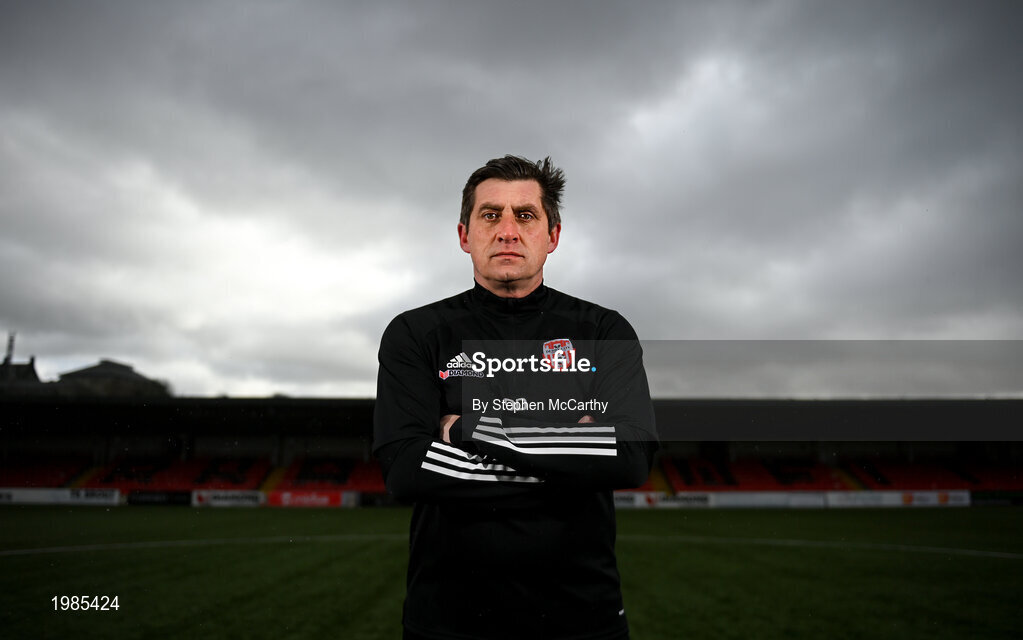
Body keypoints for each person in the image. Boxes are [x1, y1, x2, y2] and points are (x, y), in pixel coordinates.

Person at [373, 155, 658, 640]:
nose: (507, 231)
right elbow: (405, 468)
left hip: (582, 619)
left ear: (553, 235)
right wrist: (570, 456)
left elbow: (630, 457)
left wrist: (470, 430)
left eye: (525, 215)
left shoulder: (603, 331)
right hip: (448, 621)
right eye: (490, 215)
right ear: (464, 235)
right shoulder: (416, 333)